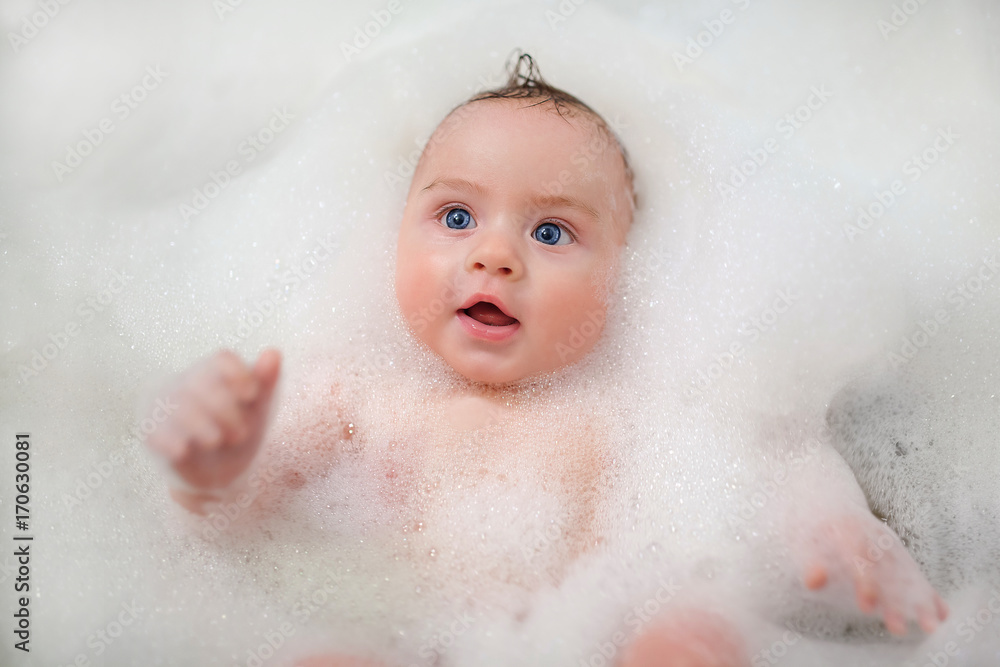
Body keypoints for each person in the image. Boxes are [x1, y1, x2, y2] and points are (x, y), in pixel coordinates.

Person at [142, 53, 946, 667]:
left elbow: (770, 458)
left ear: (626, 277)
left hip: (606, 630)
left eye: (551, 232)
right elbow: (237, 520)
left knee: (689, 633)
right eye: (456, 215)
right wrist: (219, 469)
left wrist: (838, 525)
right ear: (396, 230)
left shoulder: (638, 400)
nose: (495, 256)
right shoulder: (361, 390)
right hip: (411, 635)